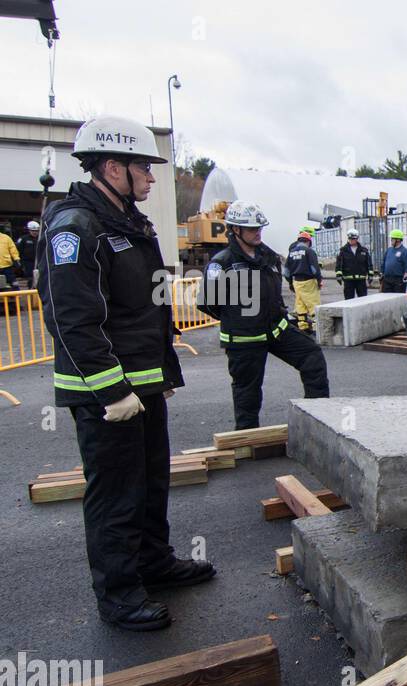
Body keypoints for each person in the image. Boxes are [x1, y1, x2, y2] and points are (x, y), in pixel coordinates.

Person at [38, 115, 214, 631]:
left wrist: (160, 373)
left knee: (151, 479)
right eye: (145, 167)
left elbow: (143, 307)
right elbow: (70, 318)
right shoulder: (76, 226)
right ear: (113, 167)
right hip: (106, 393)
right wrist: (113, 390)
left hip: (142, 384)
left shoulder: (126, 221)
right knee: (115, 493)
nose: (153, 178)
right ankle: (118, 595)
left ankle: (152, 563)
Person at [200, 199, 329, 429]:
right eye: (252, 228)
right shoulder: (221, 264)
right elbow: (210, 304)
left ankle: (319, 424)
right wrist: (241, 320)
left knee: (312, 357)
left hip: (276, 330)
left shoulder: (267, 257)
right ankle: (247, 441)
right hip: (244, 340)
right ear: (235, 230)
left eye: (260, 227)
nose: (258, 232)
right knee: (248, 395)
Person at [284, 228, 322, 334]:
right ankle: (316, 328)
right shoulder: (309, 251)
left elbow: (286, 272)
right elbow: (315, 269)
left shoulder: (291, 252)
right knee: (314, 305)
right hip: (309, 281)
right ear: (308, 241)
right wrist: (319, 281)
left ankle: (303, 327)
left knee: (300, 304)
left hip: (296, 282)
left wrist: (291, 283)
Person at [335, 228, 372, 299]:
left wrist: (370, 275)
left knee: (363, 300)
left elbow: (369, 263)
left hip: (361, 280)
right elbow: (339, 264)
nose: (351, 240)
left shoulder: (364, 250)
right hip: (348, 281)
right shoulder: (343, 251)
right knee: (349, 301)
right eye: (350, 239)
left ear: (357, 238)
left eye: (353, 239)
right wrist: (338, 275)